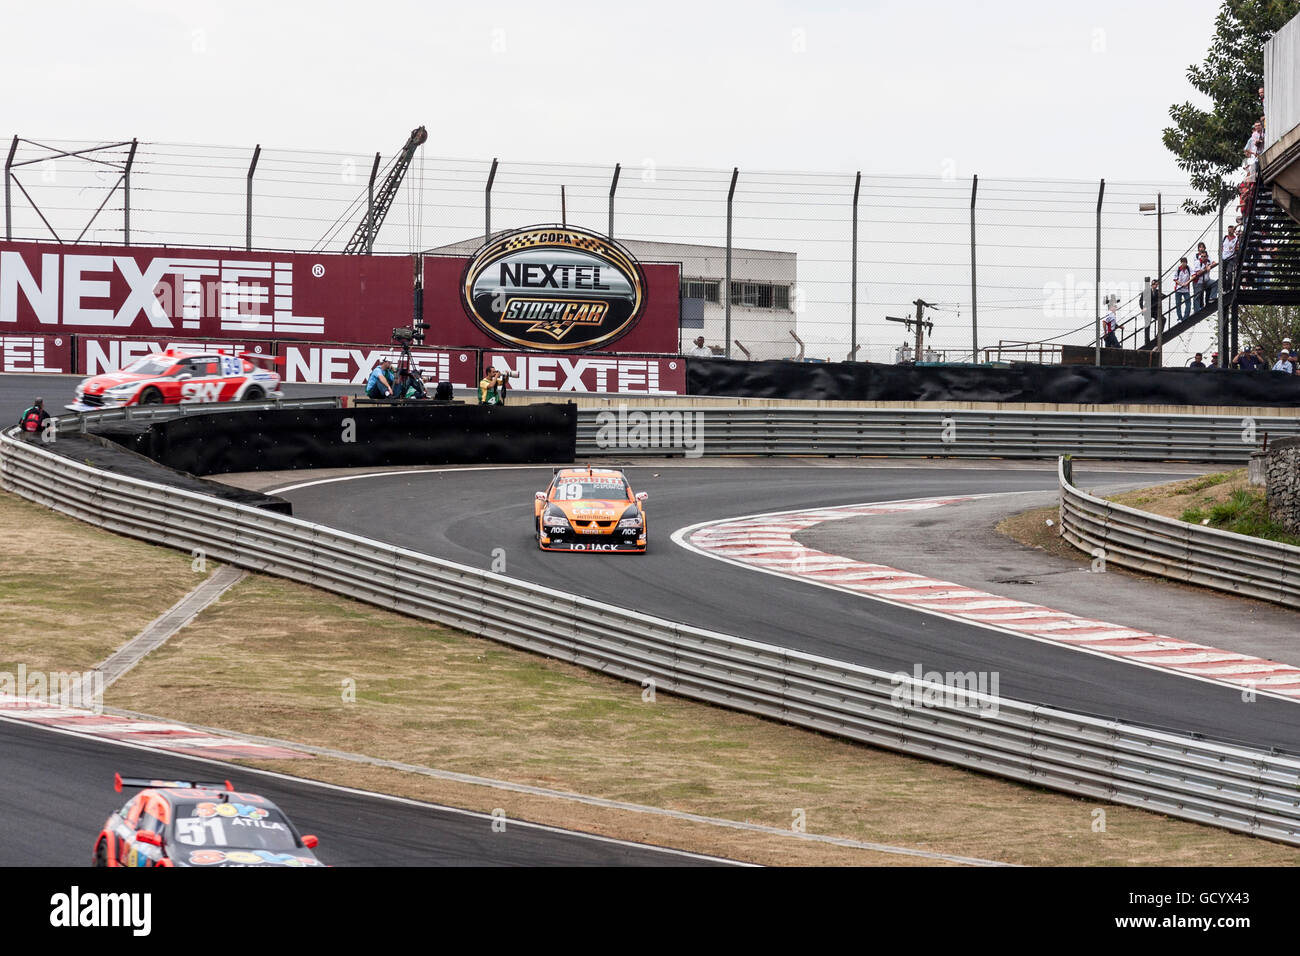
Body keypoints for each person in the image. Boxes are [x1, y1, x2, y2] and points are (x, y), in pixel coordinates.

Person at [1172, 257, 1193, 322]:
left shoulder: (1189, 268)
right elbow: (1175, 279)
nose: (1183, 264)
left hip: (1186, 289)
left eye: (1185, 262)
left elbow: (1193, 275)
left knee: (1188, 304)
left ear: (1186, 263)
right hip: (1178, 289)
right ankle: (1179, 318)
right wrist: (1181, 284)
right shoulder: (1178, 269)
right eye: (1182, 262)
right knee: (1178, 304)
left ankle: (1185, 317)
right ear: (1181, 263)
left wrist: (1187, 282)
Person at [1221, 225, 1239, 293]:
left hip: (1231, 258)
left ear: (1233, 231)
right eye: (1228, 230)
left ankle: (1228, 288)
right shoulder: (1225, 238)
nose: (1229, 231)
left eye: (1231, 230)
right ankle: (1224, 288)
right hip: (1223, 258)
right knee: (1223, 274)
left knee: (1229, 272)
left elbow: (1237, 248)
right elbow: (1221, 246)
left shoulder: (1236, 239)